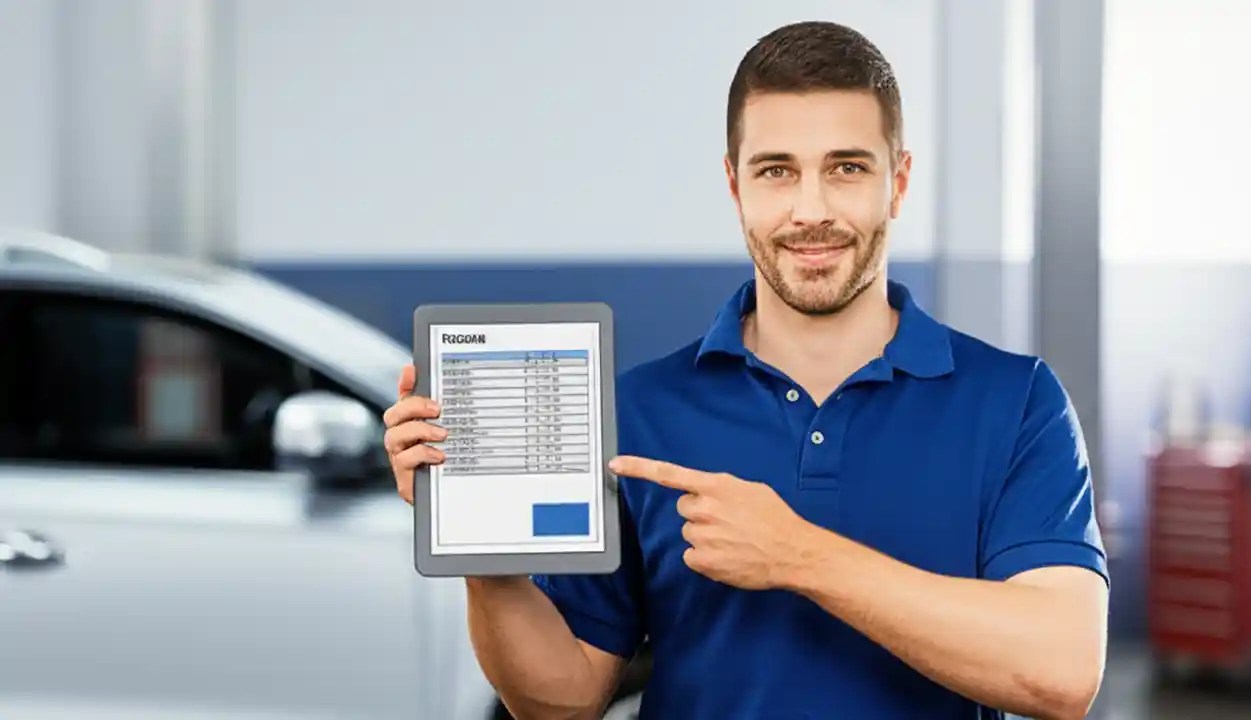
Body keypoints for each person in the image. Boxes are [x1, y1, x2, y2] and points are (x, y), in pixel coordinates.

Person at [382, 20, 1109, 720]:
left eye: (847, 168)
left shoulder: (1015, 403)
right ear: (736, 186)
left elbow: (1062, 673)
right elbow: (560, 700)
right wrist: (482, 550)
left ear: (899, 180)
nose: (811, 209)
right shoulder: (640, 412)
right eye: (777, 172)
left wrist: (798, 555)